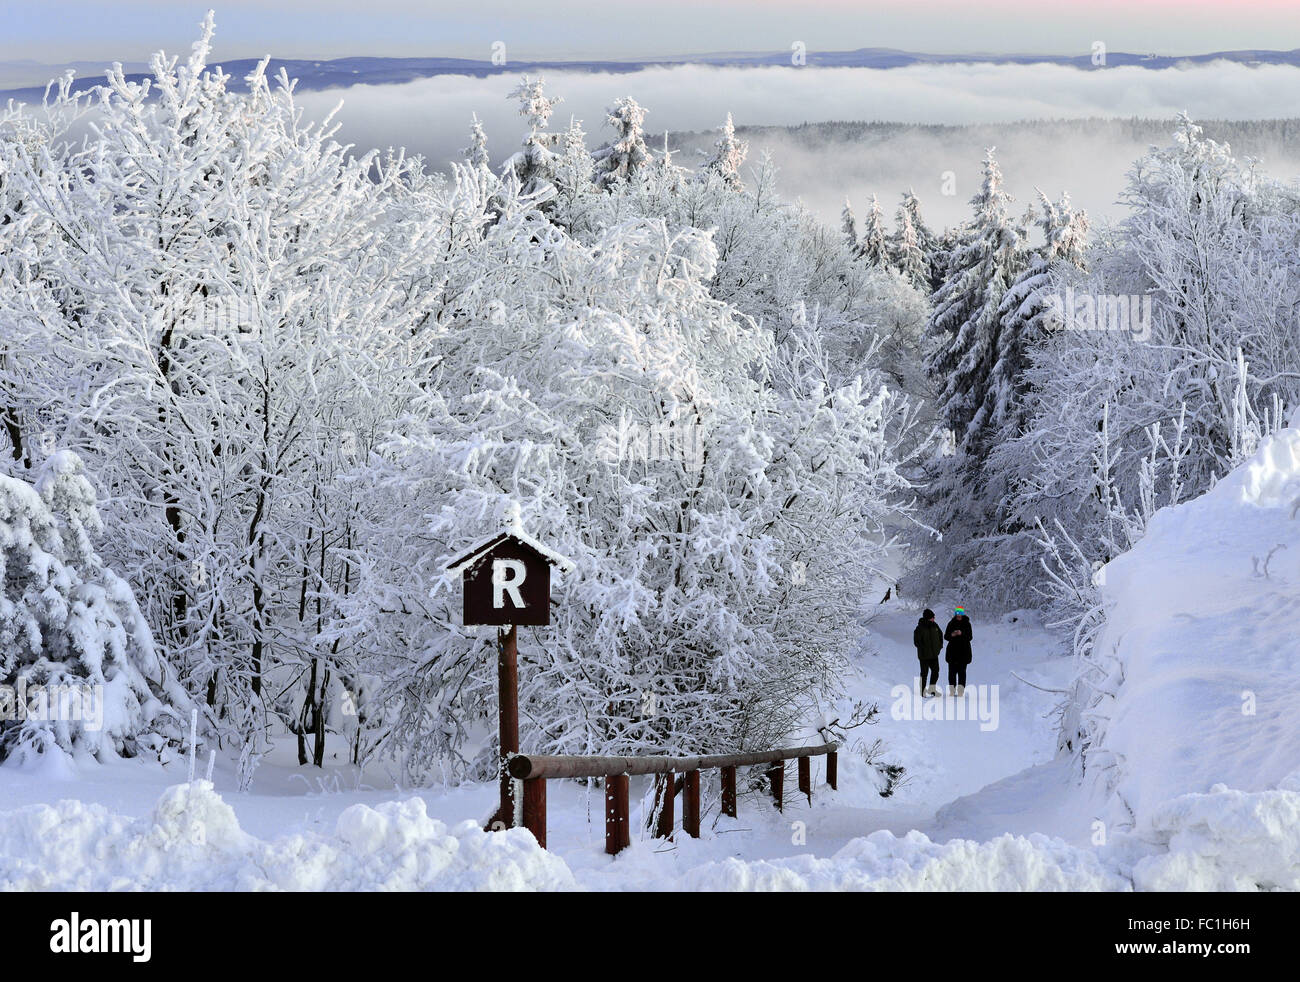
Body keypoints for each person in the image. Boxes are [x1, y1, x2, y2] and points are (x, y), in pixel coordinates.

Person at [913, 608, 943, 697]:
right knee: (924, 673)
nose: (934, 618)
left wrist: (939, 647)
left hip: (934, 655)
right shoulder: (920, 628)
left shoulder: (935, 626)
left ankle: (932, 689)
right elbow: (916, 642)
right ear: (928, 618)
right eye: (932, 617)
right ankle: (922, 691)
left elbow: (940, 635)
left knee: (936, 671)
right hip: (924, 655)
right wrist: (923, 649)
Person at [944, 606, 973, 696]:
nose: (958, 616)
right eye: (957, 614)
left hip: (964, 652)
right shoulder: (951, 623)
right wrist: (952, 635)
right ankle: (952, 691)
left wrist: (962, 633)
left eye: (960, 615)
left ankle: (961, 691)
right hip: (952, 652)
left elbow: (970, 637)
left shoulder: (967, 624)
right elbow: (946, 636)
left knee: (962, 673)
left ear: (962, 615)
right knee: (951, 674)